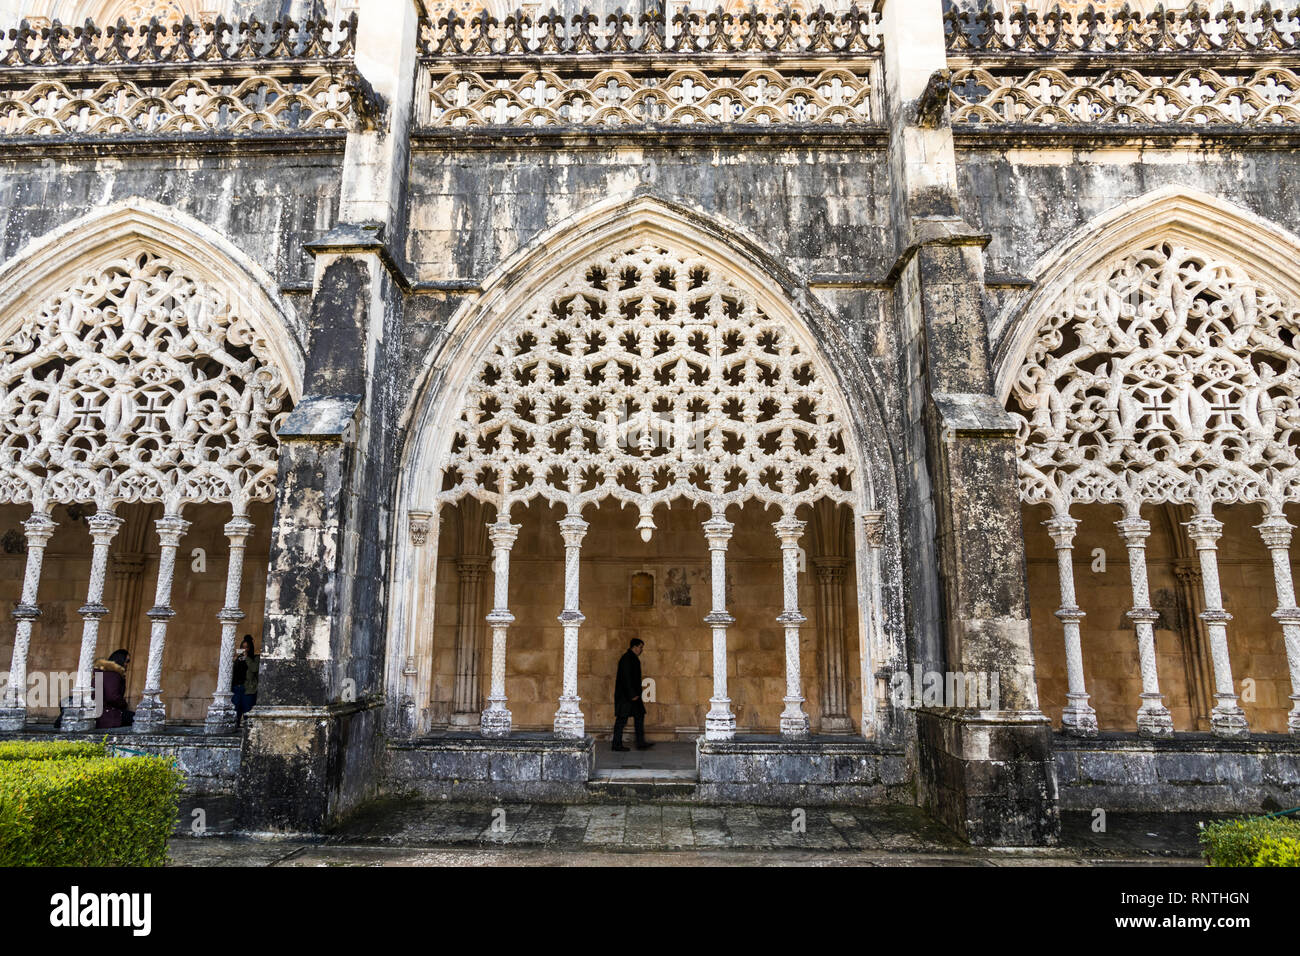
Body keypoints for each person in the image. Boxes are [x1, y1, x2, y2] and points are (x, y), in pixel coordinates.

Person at [613, 638, 652, 752]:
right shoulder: (627, 659)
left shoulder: (632, 658)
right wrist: (632, 694)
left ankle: (641, 743)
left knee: (639, 716)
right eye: (640, 647)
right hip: (627, 697)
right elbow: (626, 678)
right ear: (634, 647)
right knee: (621, 719)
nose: (641, 650)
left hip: (633, 696)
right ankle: (616, 744)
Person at [94, 649, 134, 729]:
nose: (127, 664)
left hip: (99, 714)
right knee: (138, 719)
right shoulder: (113, 675)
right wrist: (124, 704)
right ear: (120, 659)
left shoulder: (101, 673)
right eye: (127, 661)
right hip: (108, 715)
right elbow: (112, 697)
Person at [232, 634, 260, 726]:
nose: (244, 649)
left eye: (246, 647)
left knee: (247, 713)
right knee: (235, 712)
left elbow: (254, 668)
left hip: (248, 689)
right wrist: (235, 660)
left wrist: (247, 657)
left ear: (250, 648)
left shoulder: (255, 658)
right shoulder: (238, 659)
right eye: (242, 647)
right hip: (236, 689)